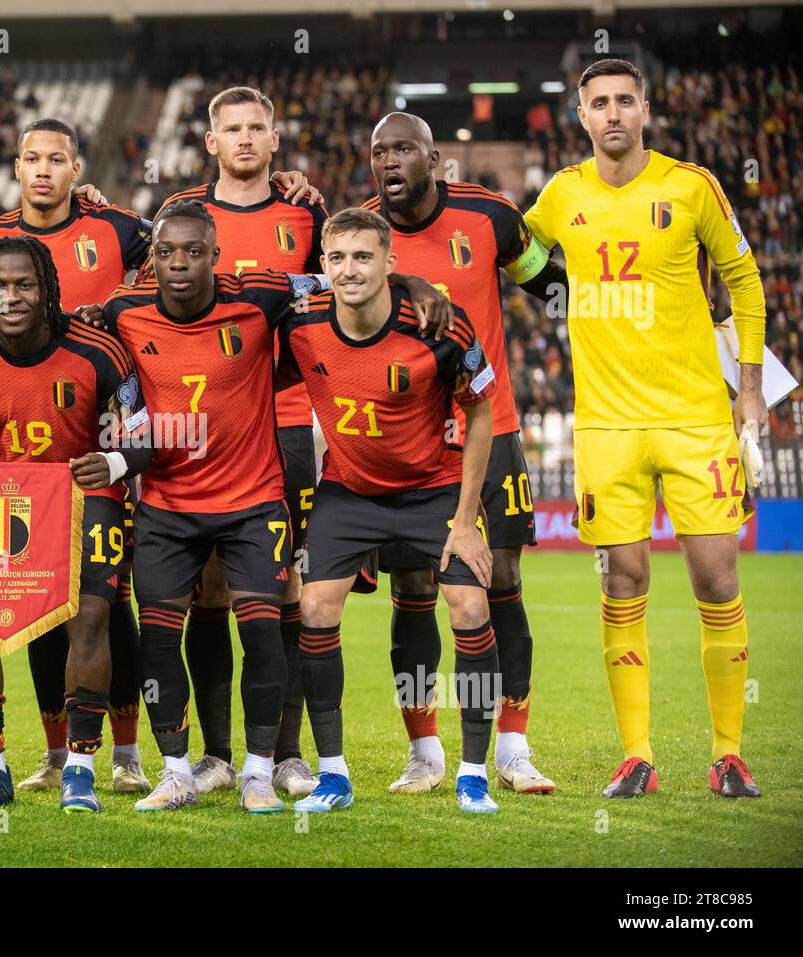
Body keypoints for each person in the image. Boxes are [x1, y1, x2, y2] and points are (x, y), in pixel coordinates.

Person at [148, 87, 449, 797]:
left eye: (258, 127)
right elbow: (150, 290)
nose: (246, 139)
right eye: (233, 129)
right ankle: (217, 756)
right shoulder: (182, 217)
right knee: (208, 590)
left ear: (275, 139)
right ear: (211, 140)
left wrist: (407, 278)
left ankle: (283, 752)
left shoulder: (304, 210)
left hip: (288, 419)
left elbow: (351, 270)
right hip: (210, 425)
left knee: (284, 585)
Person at [523, 58, 767, 798]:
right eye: (600, 102)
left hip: (696, 420)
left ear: (647, 109)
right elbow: (514, 249)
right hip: (606, 427)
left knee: (716, 578)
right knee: (621, 581)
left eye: (626, 99)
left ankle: (728, 752)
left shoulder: (691, 186)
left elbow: (746, 279)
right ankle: (637, 755)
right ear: (582, 115)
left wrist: (749, 392)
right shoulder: (562, 193)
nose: (614, 113)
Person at [0, 118, 156, 794]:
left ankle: (124, 751)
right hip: (17, 476)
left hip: (101, 439)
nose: (45, 170)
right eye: (32, 158)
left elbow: (182, 251)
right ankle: (58, 755)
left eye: (58, 158)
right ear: (17, 168)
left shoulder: (118, 229)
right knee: (40, 608)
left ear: (78, 168)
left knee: (109, 608)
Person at [359, 111, 566, 795]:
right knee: (413, 587)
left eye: (404, 150)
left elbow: (551, 285)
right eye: (379, 152)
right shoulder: (363, 235)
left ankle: (512, 745)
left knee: (500, 579)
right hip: (404, 441)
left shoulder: (491, 217)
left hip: (490, 426)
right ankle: (423, 750)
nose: (390, 162)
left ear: (435, 159)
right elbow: (310, 298)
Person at [278, 207, 502, 814]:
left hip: (433, 490)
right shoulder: (298, 323)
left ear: (389, 265)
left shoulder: (438, 327)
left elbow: (481, 412)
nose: (350, 270)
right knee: (315, 607)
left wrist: (464, 519)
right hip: (349, 491)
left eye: (364, 257)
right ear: (322, 266)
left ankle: (474, 773)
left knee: (471, 603)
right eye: (338, 258)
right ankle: (332, 775)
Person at [99, 200, 316, 813]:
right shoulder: (122, 312)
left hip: (253, 502)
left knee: (263, 632)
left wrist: (406, 282)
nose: (178, 264)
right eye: (166, 252)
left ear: (216, 258)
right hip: (167, 506)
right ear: (153, 260)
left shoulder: (261, 296)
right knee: (159, 642)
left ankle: (257, 770)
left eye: (194, 252)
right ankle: (175, 772)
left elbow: (345, 279)